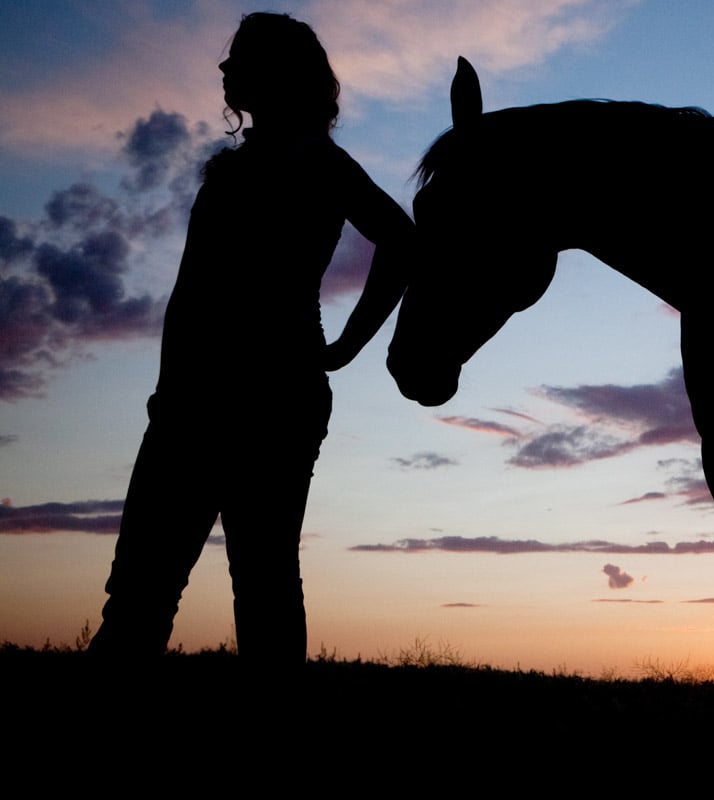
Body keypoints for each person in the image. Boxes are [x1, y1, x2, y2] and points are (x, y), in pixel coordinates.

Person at [89, 12, 412, 667]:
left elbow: (403, 239)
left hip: (267, 395)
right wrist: (167, 390)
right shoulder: (236, 168)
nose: (223, 69)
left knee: (248, 587)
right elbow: (190, 291)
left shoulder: (321, 161)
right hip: (197, 399)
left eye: (238, 58)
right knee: (149, 591)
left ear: (276, 73)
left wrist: (349, 344)